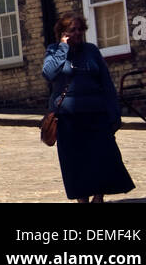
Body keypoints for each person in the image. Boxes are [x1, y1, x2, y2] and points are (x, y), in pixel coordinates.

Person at [42, 13, 135, 203]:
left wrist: (114, 113)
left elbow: (106, 84)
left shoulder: (91, 50)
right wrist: (63, 48)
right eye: (71, 30)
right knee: (75, 163)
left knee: (103, 158)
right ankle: (82, 200)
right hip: (68, 119)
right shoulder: (54, 50)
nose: (77, 33)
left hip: (96, 115)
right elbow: (48, 73)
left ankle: (98, 198)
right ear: (62, 33)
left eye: (79, 29)